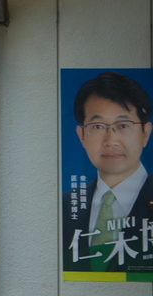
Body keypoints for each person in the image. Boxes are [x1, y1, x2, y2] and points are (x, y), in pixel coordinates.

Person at [64, 71, 153, 272]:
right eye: (97, 126)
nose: (110, 140)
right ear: (82, 136)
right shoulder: (65, 205)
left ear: (145, 133)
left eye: (123, 125)